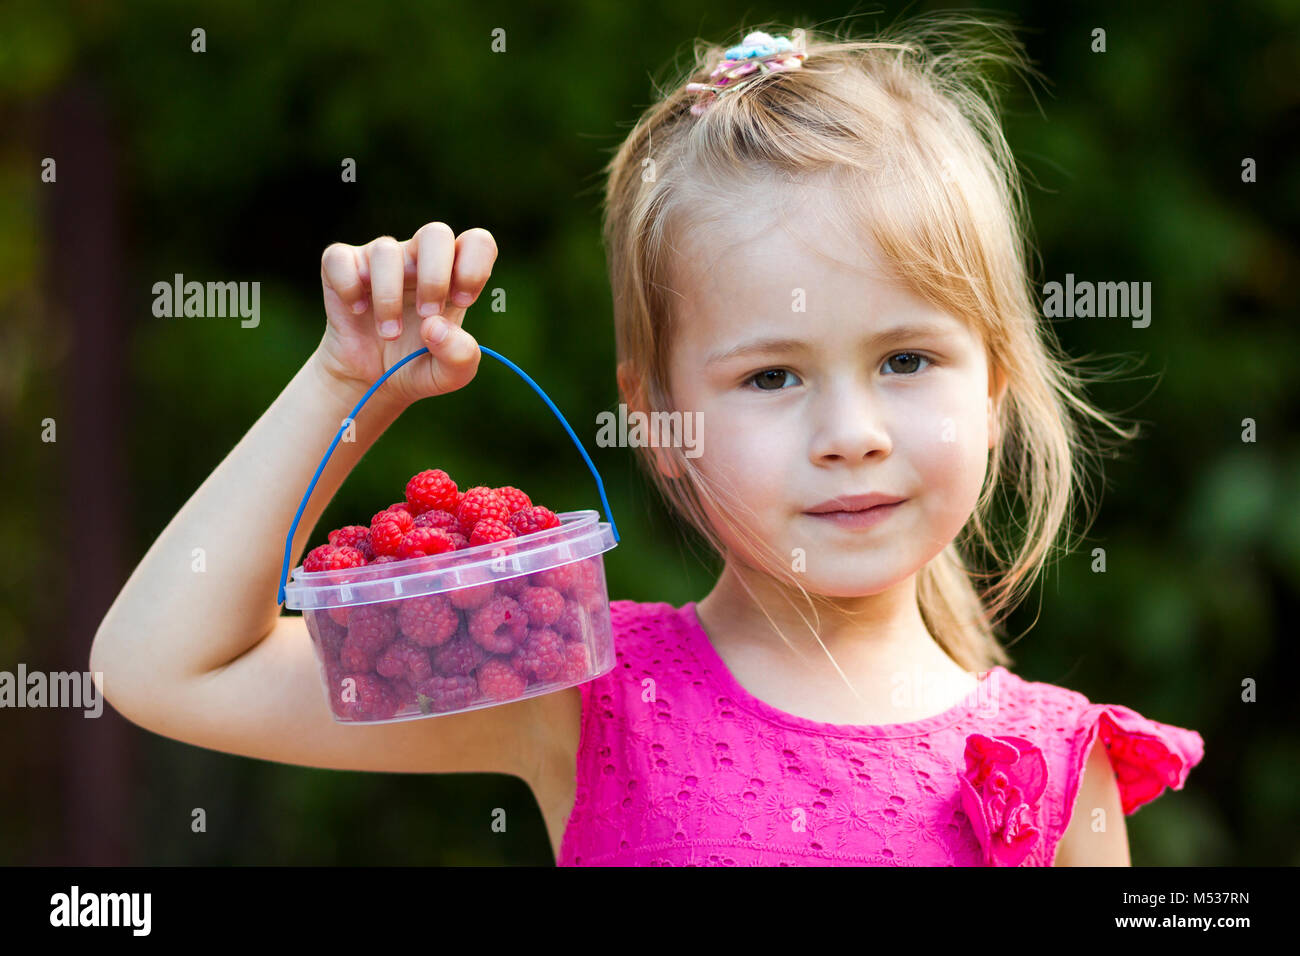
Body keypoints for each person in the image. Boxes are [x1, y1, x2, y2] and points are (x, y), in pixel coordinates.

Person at [90, 15, 1204, 867]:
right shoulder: (582, 690)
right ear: (657, 422)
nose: (851, 435)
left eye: (906, 360)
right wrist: (348, 380)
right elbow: (169, 666)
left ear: (997, 386)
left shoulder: (1060, 770)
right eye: (772, 375)